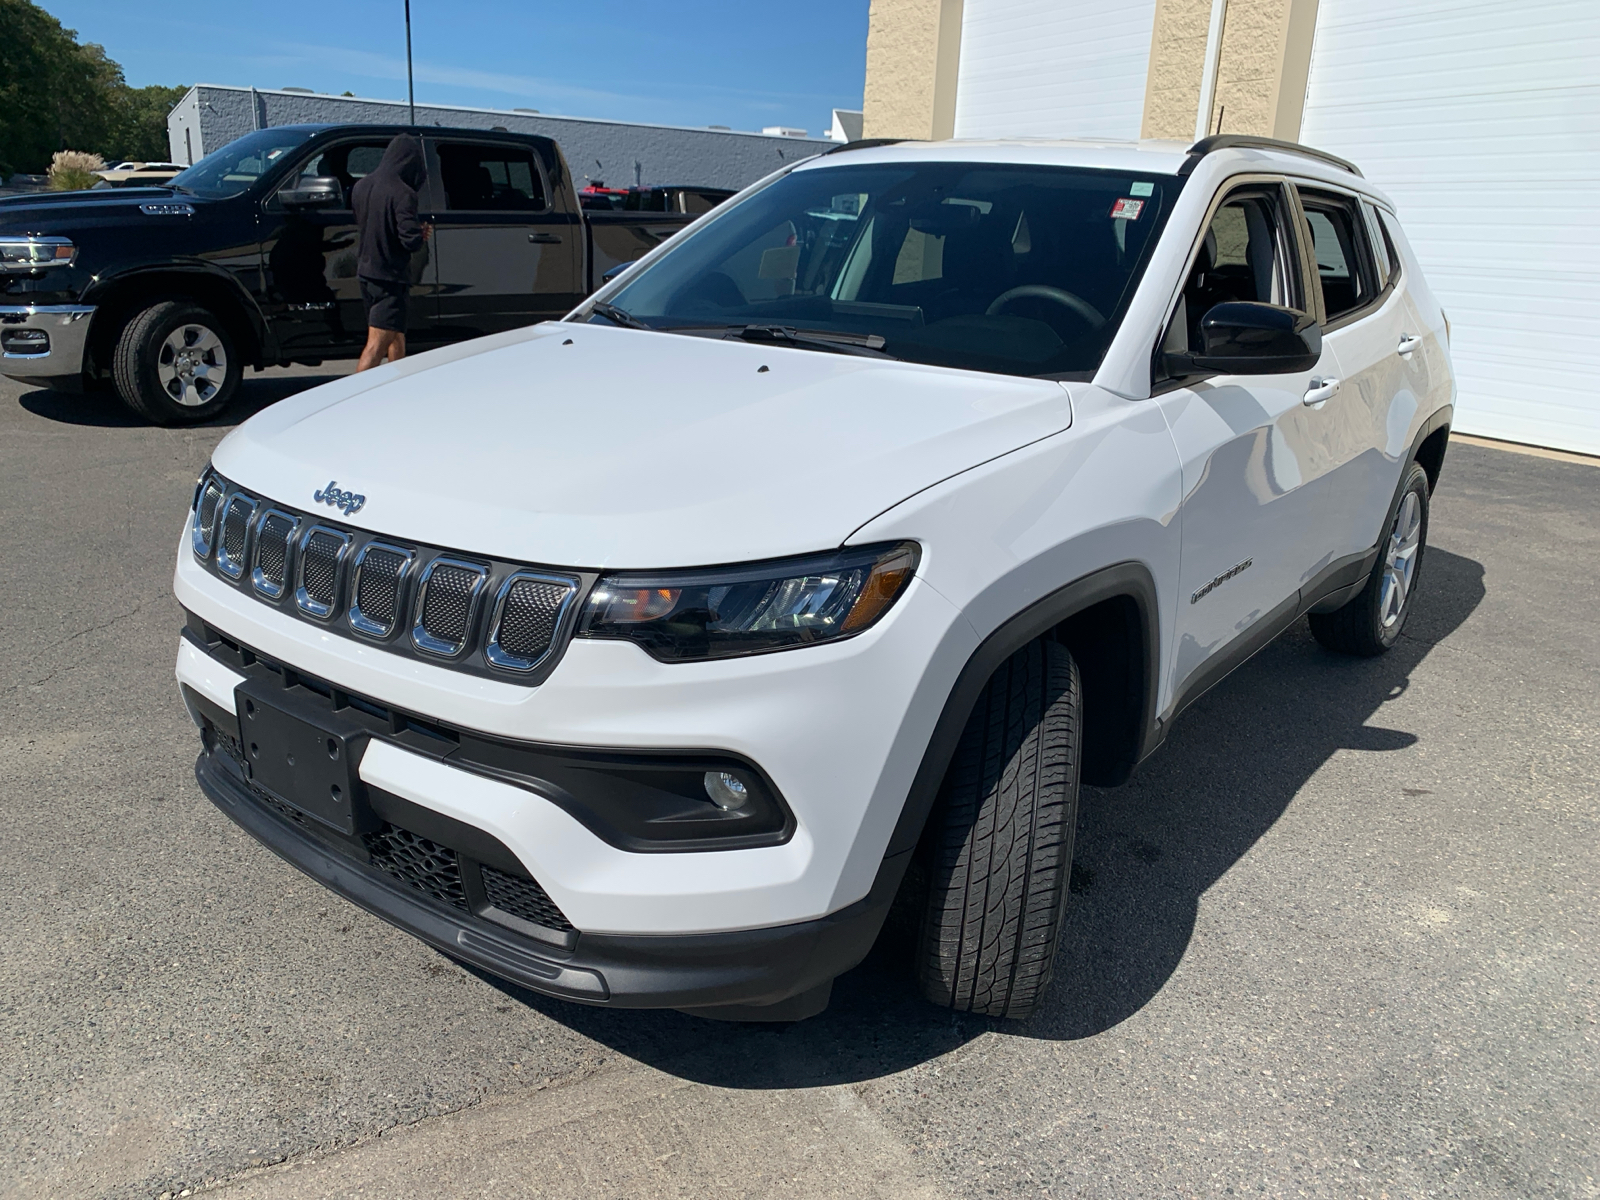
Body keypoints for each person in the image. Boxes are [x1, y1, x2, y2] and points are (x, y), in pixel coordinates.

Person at [352, 134, 431, 371]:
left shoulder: (361, 186)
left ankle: (396, 385)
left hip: (366, 273)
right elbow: (410, 241)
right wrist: (420, 233)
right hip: (390, 277)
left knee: (396, 334)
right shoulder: (403, 193)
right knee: (377, 343)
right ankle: (354, 397)